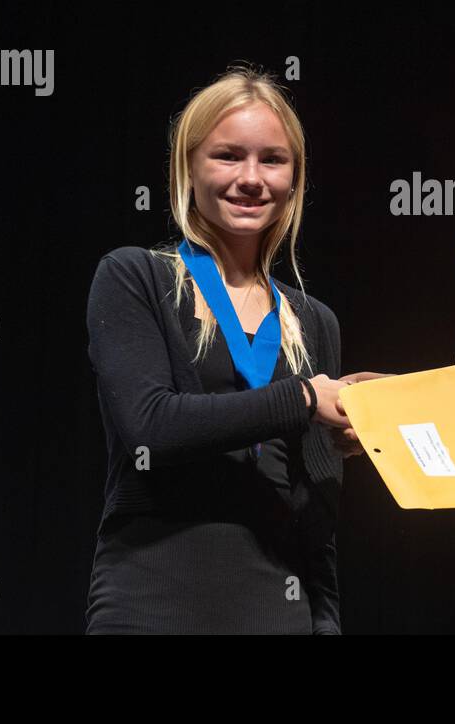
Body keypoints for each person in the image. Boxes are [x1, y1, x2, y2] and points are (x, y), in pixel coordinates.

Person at [84, 64, 365, 634]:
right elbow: (151, 425)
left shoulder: (314, 322)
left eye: (273, 160)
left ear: (295, 178)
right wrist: (305, 397)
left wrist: (327, 624)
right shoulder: (134, 277)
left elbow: (317, 512)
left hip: (276, 616)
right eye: (228, 156)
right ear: (189, 166)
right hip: (147, 612)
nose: (252, 178)